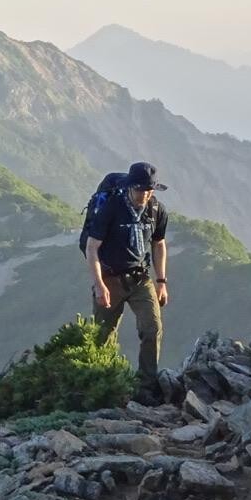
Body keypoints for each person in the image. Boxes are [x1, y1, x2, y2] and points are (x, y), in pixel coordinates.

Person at [83, 161, 170, 391]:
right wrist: (99, 284)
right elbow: (92, 247)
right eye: (141, 189)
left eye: (149, 189)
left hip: (141, 278)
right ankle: (102, 385)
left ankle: (146, 386)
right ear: (130, 187)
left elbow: (158, 243)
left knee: (152, 328)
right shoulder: (111, 208)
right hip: (110, 278)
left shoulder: (156, 210)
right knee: (103, 335)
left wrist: (161, 281)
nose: (145, 194)